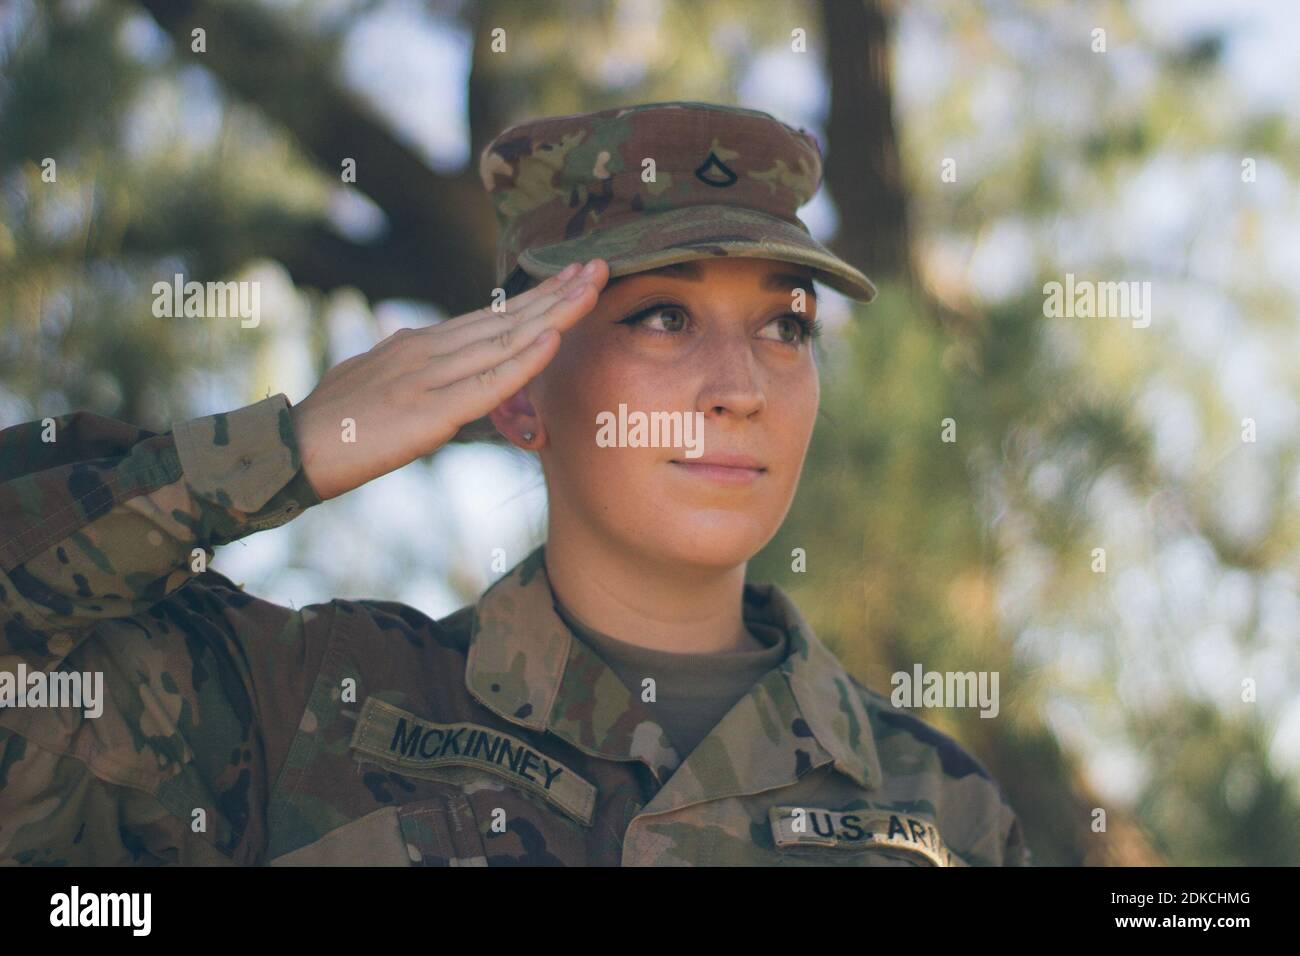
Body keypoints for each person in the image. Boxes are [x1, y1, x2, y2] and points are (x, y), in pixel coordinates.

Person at [0, 101, 1028, 866]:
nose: (742, 387)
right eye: (662, 316)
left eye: (785, 325)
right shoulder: (298, 705)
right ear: (517, 386)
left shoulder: (947, 809)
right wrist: (290, 447)